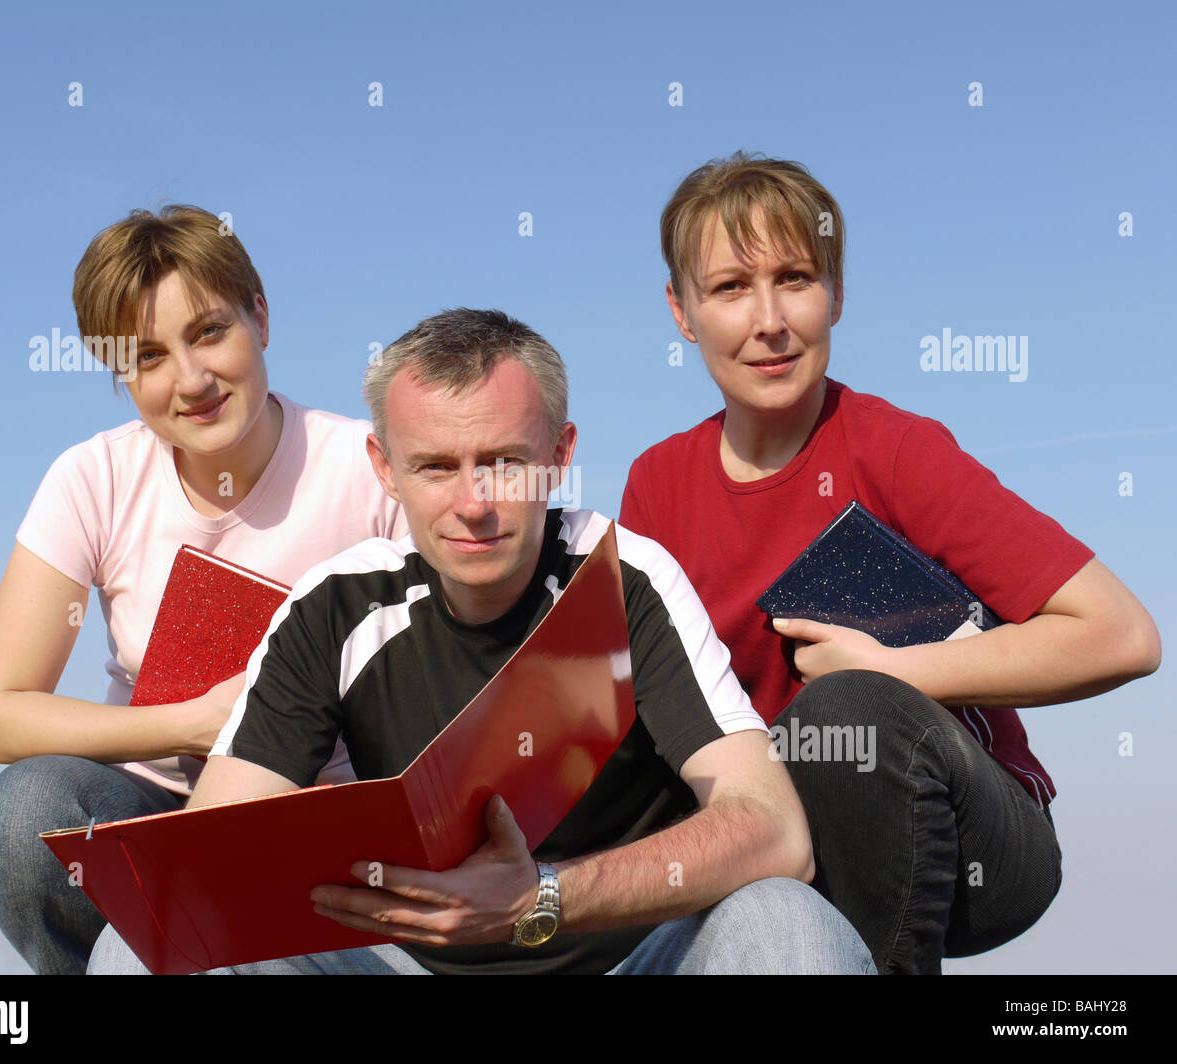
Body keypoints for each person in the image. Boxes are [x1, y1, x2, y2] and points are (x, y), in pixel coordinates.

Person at [87, 307, 875, 975]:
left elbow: (775, 831)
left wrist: (540, 898)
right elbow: (208, 856)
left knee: (784, 923)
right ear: (384, 468)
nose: (474, 504)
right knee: (145, 942)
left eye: (504, 463)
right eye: (435, 466)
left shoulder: (627, 578)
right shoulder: (333, 606)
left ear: (561, 457)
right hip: (415, 966)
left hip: (627, 960)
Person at [619, 153, 1162, 974]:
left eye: (796, 278)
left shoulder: (896, 448)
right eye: (730, 287)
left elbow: (1122, 636)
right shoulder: (657, 482)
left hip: (971, 839)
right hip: (779, 844)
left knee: (847, 713)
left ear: (836, 292)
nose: (769, 320)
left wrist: (898, 670)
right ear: (682, 311)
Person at [0, 206, 406, 974]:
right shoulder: (92, 477)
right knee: (23, 817)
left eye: (208, 332)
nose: (192, 380)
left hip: (314, 813)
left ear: (260, 317)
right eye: (148, 357)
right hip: (146, 801)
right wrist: (191, 724)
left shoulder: (367, 469)